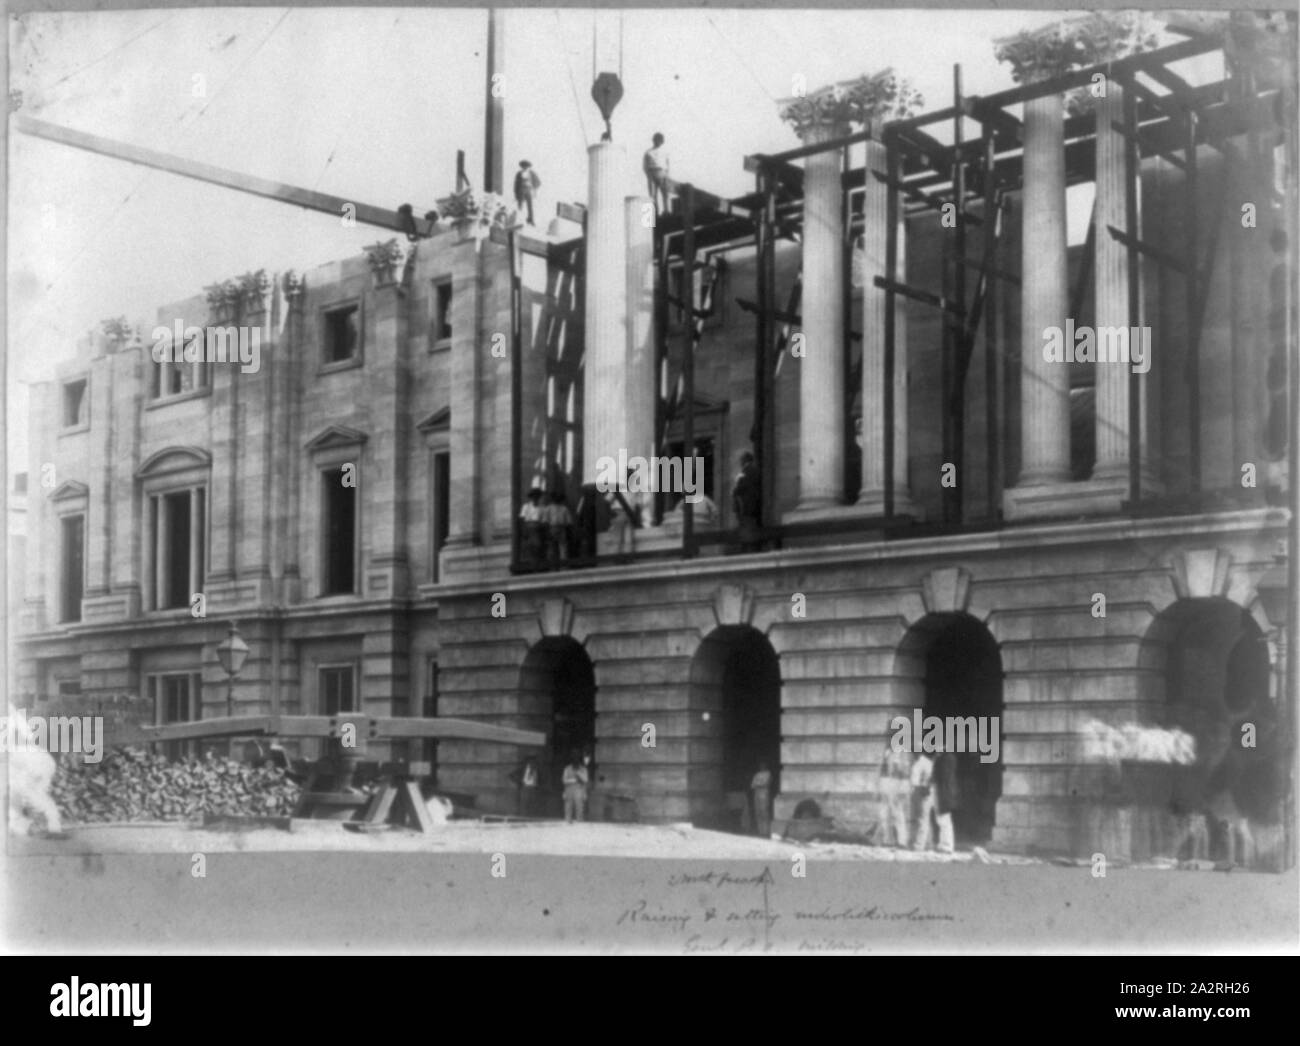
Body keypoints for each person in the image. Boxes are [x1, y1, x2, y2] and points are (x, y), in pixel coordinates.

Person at [877, 742, 912, 848]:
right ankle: (887, 840)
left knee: (898, 814)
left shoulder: (904, 754)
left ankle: (902, 841)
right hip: (885, 783)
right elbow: (882, 771)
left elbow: (905, 773)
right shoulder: (887, 753)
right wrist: (879, 789)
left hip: (897, 784)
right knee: (884, 814)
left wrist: (902, 791)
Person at [732, 451, 762, 552]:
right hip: (751, 504)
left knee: (747, 525)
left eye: (741, 459)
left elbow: (741, 487)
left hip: (746, 505)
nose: (740, 462)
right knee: (748, 524)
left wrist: (735, 490)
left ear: (745, 460)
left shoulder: (747, 471)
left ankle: (748, 547)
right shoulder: (754, 470)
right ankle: (748, 546)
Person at [931, 744, 957, 854]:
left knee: (944, 819)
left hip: (944, 791)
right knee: (940, 819)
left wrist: (936, 759)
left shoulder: (946, 758)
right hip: (941, 790)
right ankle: (943, 844)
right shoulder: (942, 757)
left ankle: (947, 845)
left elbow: (942, 776)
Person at [909, 748, 935, 851]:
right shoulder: (914, 762)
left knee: (923, 819)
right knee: (921, 818)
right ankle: (929, 844)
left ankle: (919, 845)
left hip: (924, 792)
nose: (914, 752)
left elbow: (930, 778)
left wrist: (924, 789)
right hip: (915, 791)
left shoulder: (926, 762)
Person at [543, 490, 573, 567]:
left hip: (562, 528)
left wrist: (568, 530)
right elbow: (545, 520)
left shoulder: (564, 508)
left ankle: (563, 565)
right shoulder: (548, 508)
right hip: (552, 528)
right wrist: (547, 531)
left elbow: (569, 521)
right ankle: (551, 566)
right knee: (551, 548)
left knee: (563, 547)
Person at [643, 133, 670, 214]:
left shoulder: (665, 152)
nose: (658, 142)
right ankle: (655, 213)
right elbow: (645, 166)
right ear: (654, 140)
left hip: (662, 173)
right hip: (652, 173)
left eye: (660, 140)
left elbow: (667, 164)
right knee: (653, 195)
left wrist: (666, 174)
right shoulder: (648, 152)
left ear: (662, 141)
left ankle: (666, 211)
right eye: (656, 140)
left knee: (665, 193)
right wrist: (648, 175)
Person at [519, 487, 545, 565]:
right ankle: (530, 563)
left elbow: (543, 520)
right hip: (528, 527)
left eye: (537, 497)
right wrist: (524, 530)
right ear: (531, 497)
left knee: (537, 545)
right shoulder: (526, 506)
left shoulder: (542, 507)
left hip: (537, 528)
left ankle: (536, 563)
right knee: (529, 546)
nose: (535, 499)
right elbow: (522, 518)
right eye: (534, 497)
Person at [562, 751, 588, 823]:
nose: (575, 760)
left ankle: (579, 820)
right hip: (569, 789)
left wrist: (585, 793)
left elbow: (585, 780)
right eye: (574, 758)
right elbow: (564, 780)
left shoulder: (583, 769)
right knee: (568, 806)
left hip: (579, 789)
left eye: (577, 758)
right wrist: (572, 780)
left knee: (579, 806)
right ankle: (568, 820)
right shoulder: (567, 768)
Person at [513, 160, 541, 226]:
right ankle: (519, 219)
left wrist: (534, 189)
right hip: (521, 189)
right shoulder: (519, 173)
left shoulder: (531, 173)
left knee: (530, 205)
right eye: (523, 166)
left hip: (528, 189)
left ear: (528, 166)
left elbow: (538, 182)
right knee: (520, 205)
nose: (525, 167)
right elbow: (516, 184)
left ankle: (530, 220)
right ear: (521, 166)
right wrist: (516, 194)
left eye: (526, 166)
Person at [750, 761, 773, 837]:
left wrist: (758, 783)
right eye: (760, 765)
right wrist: (759, 784)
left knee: (764, 812)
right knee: (758, 812)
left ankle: (766, 831)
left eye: (763, 764)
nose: (761, 766)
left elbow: (765, 783)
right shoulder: (757, 774)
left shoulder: (768, 773)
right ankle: (760, 831)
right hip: (757, 793)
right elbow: (752, 785)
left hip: (764, 793)